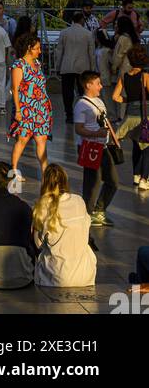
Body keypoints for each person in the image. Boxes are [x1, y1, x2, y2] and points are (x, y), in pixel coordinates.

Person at [32, 164, 96, 287]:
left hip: (55, 277)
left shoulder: (42, 206)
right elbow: (87, 228)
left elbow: (38, 244)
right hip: (85, 275)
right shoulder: (79, 201)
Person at [74, 69, 120, 227]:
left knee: (113, 181)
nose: (101, 86)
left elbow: (105, 122)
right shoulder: (81, 104)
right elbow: (78, 129)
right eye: (98, 83)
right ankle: (88, 213)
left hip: (103, 146)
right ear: (88, 85)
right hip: (89, 147)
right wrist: (96, 133)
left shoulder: (100, 102)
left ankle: (99, 210)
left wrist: (112, 137)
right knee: (92, 183)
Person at [8, 31, 51, 188]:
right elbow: (15, 88)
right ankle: (13, 169)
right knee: (23, 139)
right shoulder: (18, 65)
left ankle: (45, 171)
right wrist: (18, 111)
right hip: (26, 107)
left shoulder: (37, 64)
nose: (39, 51)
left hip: (40, 107)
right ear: (29, 48)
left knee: (42, 139)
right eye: (37, 48)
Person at [112, 45, 149, 191]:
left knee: (136, 146)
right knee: (147, 149)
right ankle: (144, 179)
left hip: (129, 116)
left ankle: (136, 175)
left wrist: (129, 100)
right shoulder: (145, 76)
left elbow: (115, 97)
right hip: (145, 115)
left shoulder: (124, 76)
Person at [55, 12, 96, 124]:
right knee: (83, 91)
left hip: (67, 66)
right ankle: (83, 113)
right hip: (83, 67)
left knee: (67, 91)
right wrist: (92, 69)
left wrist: (58, 66)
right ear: (82, 20)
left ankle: (69, 114)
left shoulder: (64, 33)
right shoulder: (88, 34)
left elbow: (59, 51)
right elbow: (91, 53)